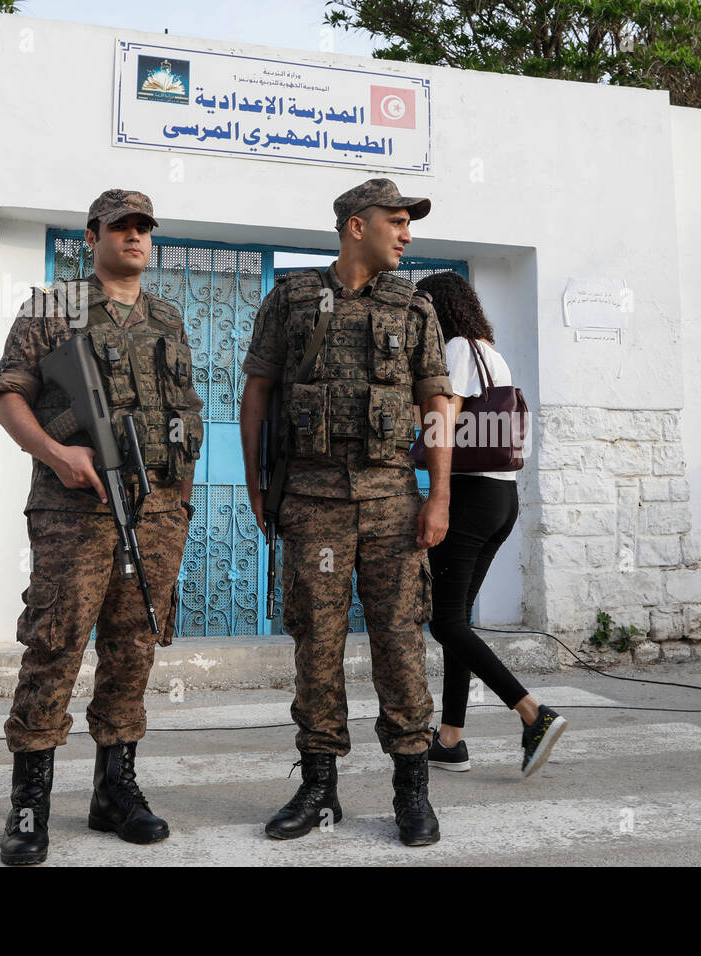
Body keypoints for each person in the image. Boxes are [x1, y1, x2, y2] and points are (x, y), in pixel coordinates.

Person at [0, 189, 203, 864]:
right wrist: (56, 450)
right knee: (54, 647)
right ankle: (29, 804)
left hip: (158, 512)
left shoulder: (167, 314)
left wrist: (178, 488)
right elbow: (8, 392)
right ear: (93, 235)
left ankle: (115, 790)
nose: (135, 237)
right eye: (122, 227)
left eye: (144, 228)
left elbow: (183, 406)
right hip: (72, 513)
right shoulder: (53, 306)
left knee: (133, 646)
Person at [239, 179, 454, 846]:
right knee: (317, 646)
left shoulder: (415, 307)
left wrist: (439, 494)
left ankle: (411, 793)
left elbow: (438, 406)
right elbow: (257, 390)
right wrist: (254, 483)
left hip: (393, 501)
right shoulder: (292, 300)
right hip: (311, 503)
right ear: (355, 225)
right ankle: (317, 787)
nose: (407, 234)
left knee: (400, 646)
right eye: (397, 221)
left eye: (408, 223)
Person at [412, 271, 567, 777]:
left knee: (446, 621)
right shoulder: (488, 350)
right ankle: (451, 739)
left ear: (438, 311)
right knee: (456, 620)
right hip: (501, 496)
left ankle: (533, 713)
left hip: (471, 494)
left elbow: (445, 420)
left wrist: (435, 491)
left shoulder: (456, 349)